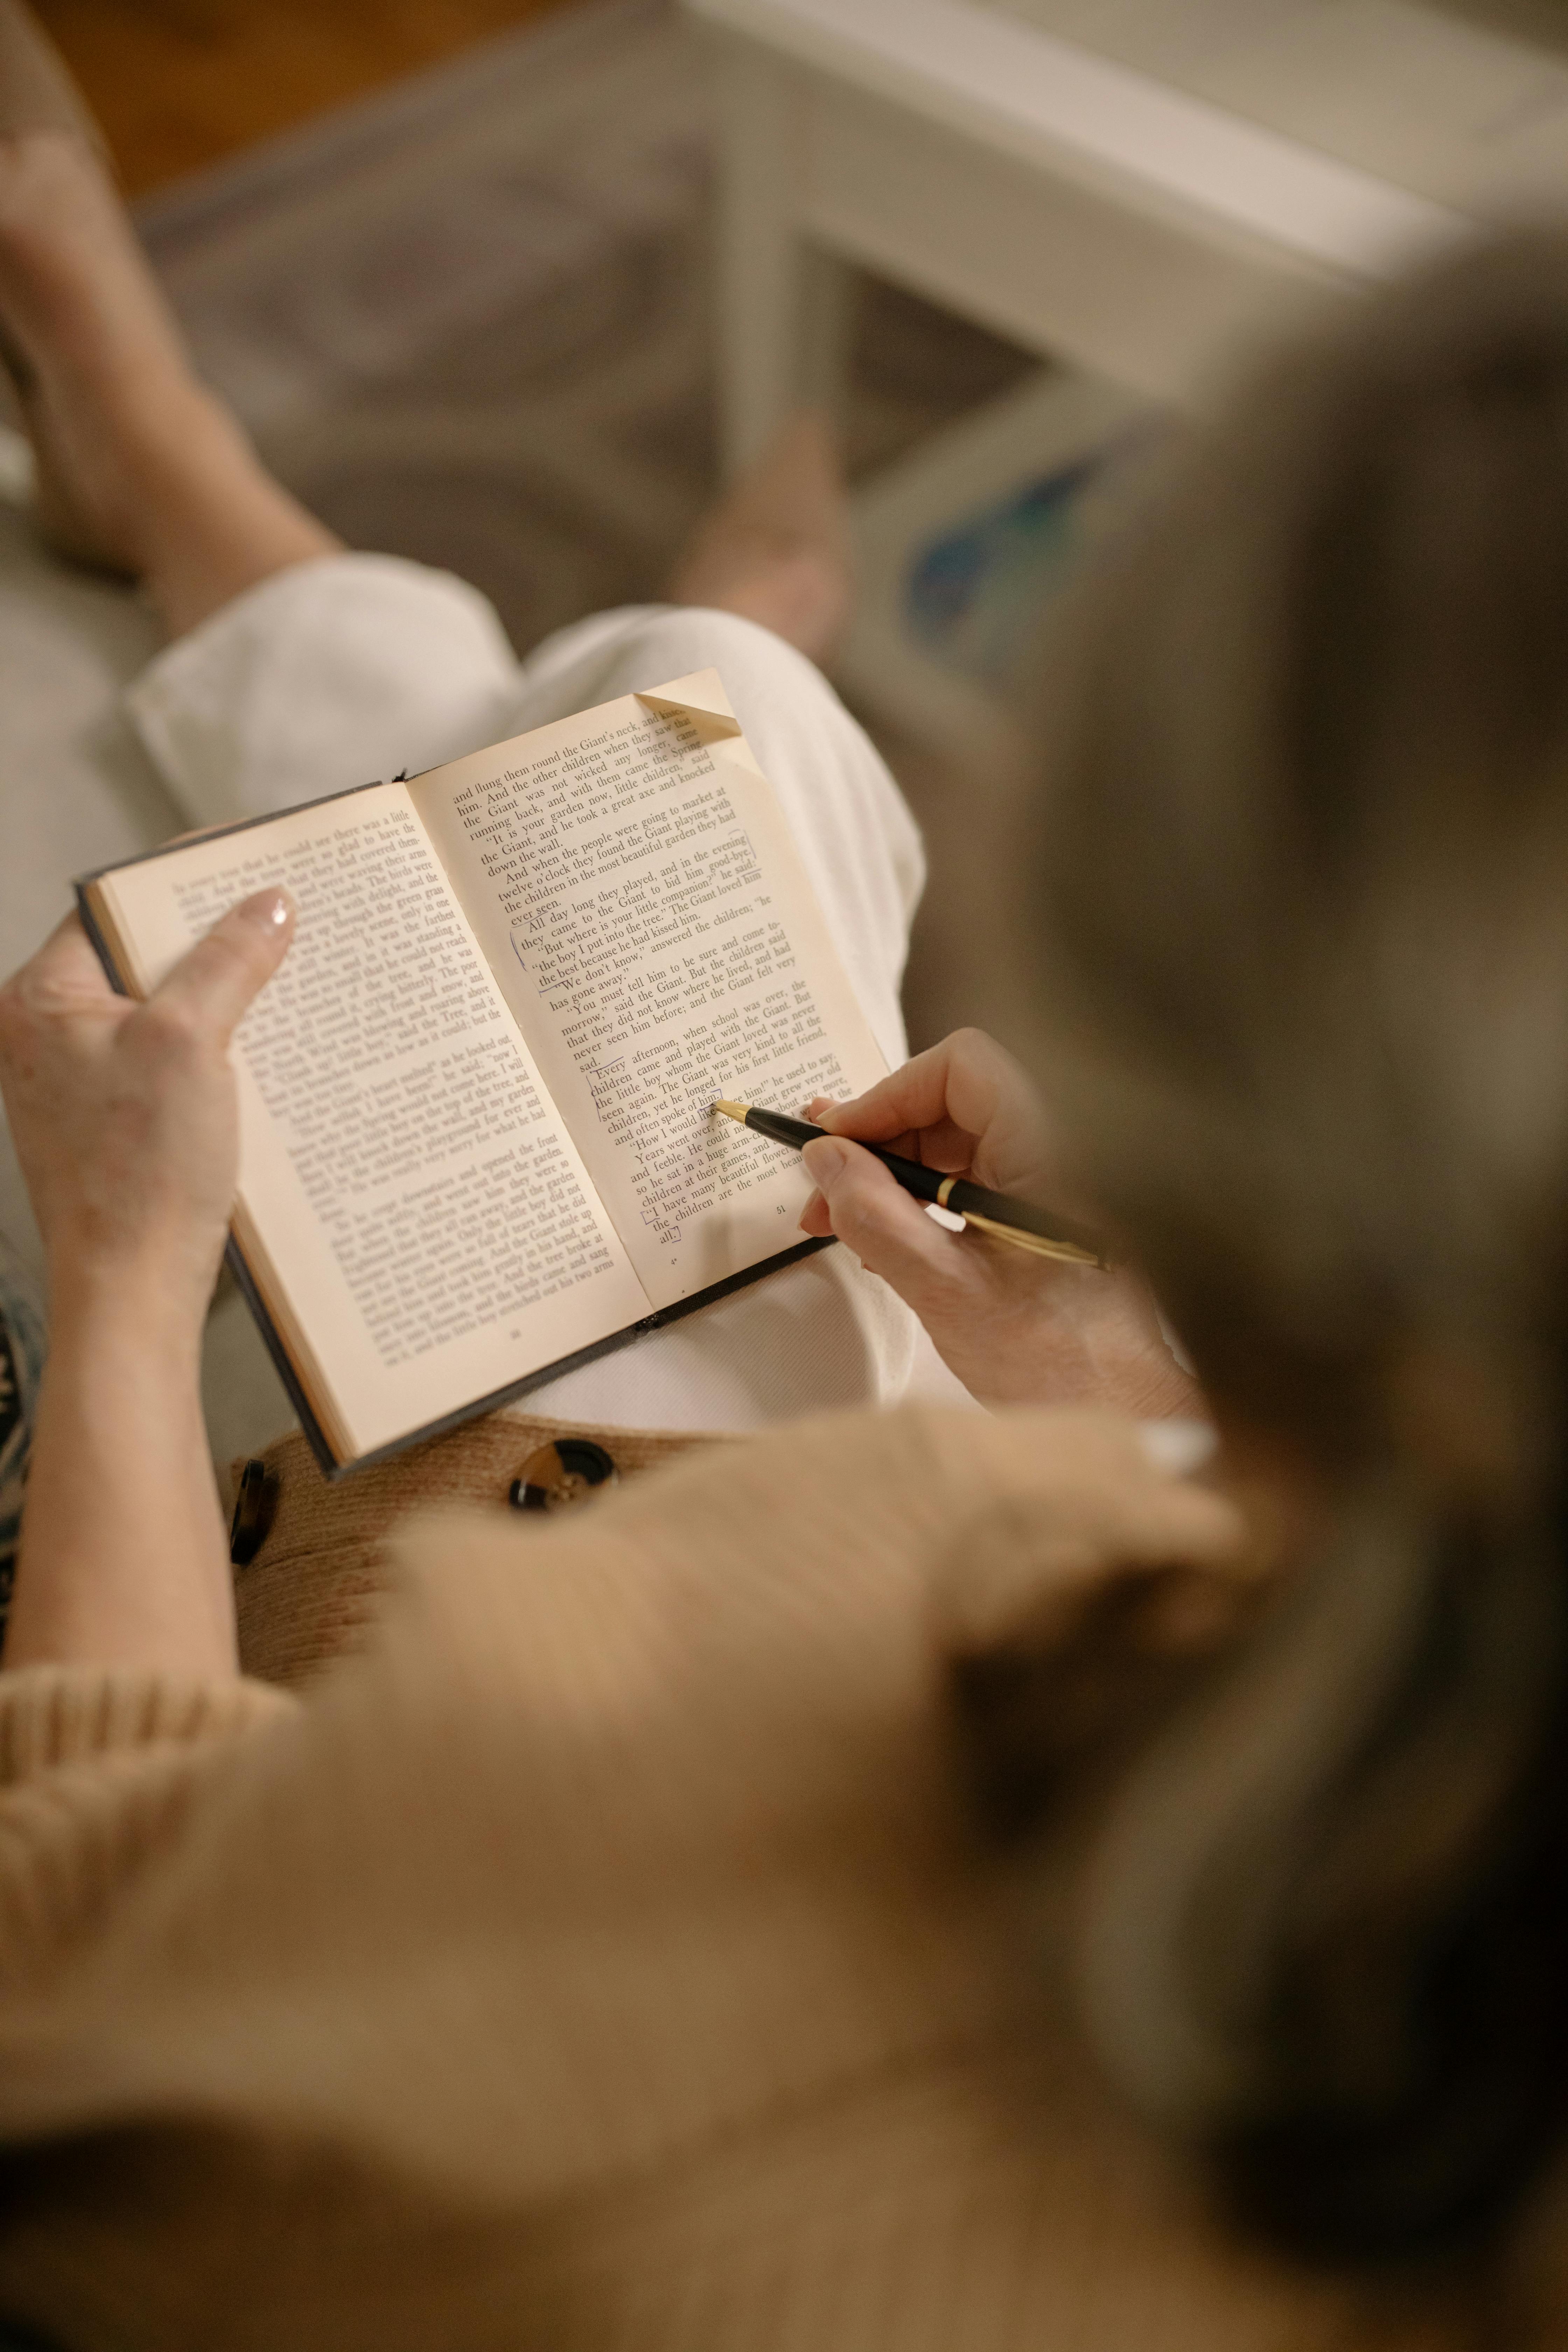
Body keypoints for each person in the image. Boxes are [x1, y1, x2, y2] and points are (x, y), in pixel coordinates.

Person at [1, 8, 1566, 2347]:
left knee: (675, 734)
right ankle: (413, 555)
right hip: (1046, 1481)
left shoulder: (746, 1983)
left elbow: (71, 1983)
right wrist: (1132, 1409)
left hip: (424, 1670)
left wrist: (121, 1288)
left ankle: (241, 487)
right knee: (667, 763)